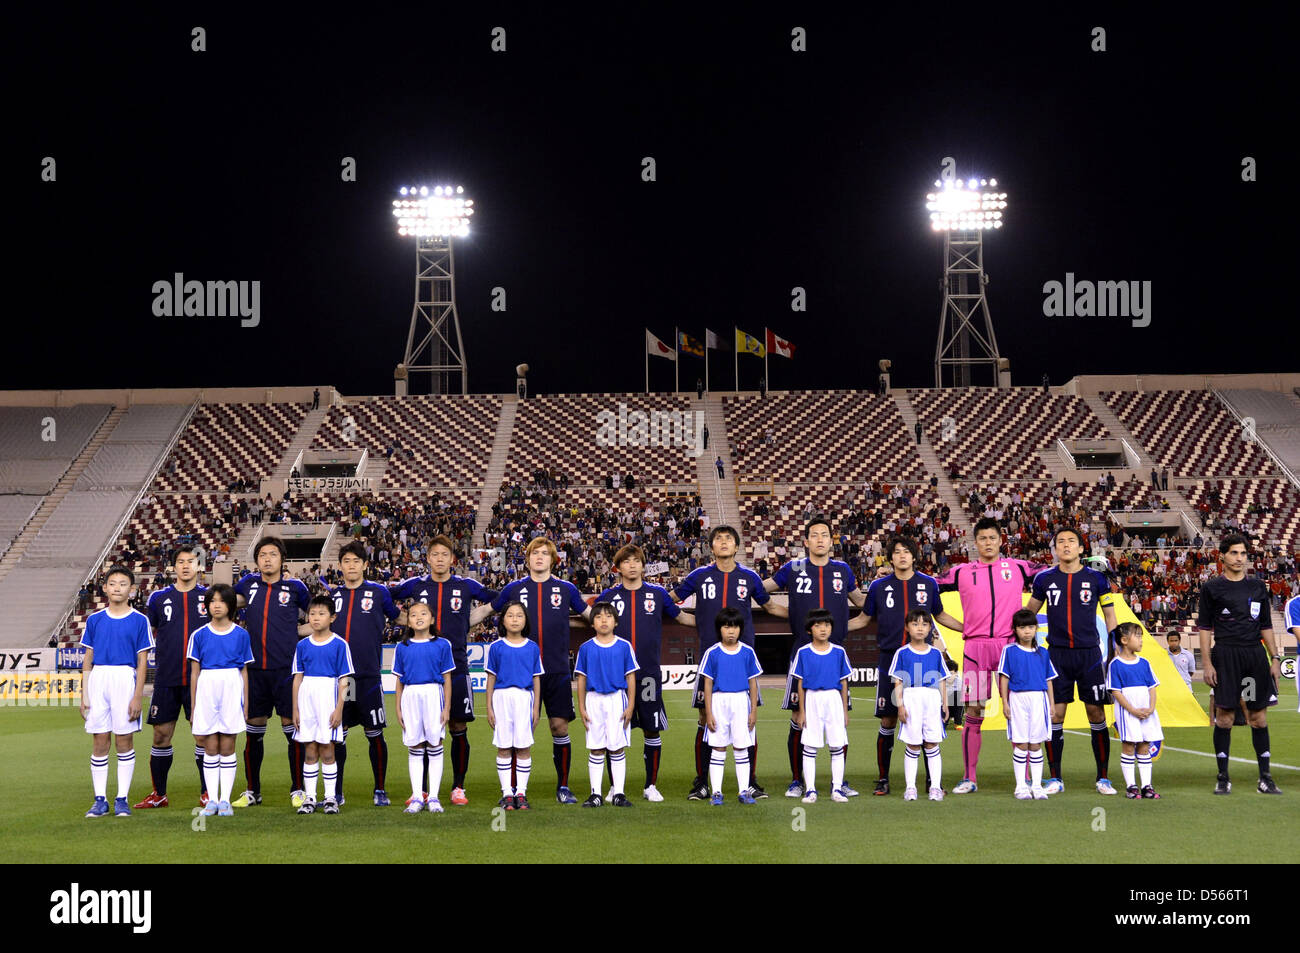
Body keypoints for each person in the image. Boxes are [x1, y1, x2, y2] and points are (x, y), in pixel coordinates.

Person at [674, 525, 786, 800]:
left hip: (742, 661)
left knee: (748, 723)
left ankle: (750, 782)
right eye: (718, 539)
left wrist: (803, 621)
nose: (723, 543)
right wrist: (695, 622)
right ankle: (702, 782)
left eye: (728, 539)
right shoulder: (699, 575)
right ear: (711, 547)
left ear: (737, 547)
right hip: (710, 660)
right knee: (704, 718)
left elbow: (770, 606)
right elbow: (670, 600)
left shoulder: (748, 577)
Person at [766, 516, 872, 798]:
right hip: (802, 652)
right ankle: (797, 780)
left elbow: (862, 602)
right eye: (815, 535)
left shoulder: (842, 569)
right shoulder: (794, 567)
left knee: (838, 720)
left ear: (831, 539)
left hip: (835, 653)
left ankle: (840, 782)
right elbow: (760, 591)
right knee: (798, 718)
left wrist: (868, 617)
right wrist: (784, 613)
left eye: (825, 535)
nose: (820, 539)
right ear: (806, 541)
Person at [391, 534, 498, 804]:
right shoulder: (415, 585)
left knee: (457, 725)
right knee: (426, 731)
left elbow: (498, 598)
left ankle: (458, 787)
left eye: (445, 555)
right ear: (427, 558)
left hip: (457, 666)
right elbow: (385, 597)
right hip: (422, 671)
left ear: (453, 559)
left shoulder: (465, 585)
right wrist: (406, 620)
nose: (440, 559)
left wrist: (473, 618)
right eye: (435, 554)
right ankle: (423, 789)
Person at [937, 518, 1041, 794]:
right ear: (975, 543)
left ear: (1000, 540)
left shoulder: (1019, 567)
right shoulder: (961, 572)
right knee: (974, 711)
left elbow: (1048, 578)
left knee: (1017, 711)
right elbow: (929, 592)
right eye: (982, 538)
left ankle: (1026, 778)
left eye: (992, 538)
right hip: (976, 649)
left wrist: (1025, 615)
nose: (987, 543)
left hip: (1010, 648)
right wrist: (962, 627)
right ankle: (969, 778)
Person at [486, 538, 594, 804]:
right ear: (528, 557)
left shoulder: (566, 588)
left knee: (559, 727)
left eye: (545, 553)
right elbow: (489, 610)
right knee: (514, 734)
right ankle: (512, 792)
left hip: (556, 669)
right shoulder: (514, 588)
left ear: (552, 559)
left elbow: (590, 615)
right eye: (535, 553)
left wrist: (616, 629)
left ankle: (564, 786)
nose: (539, 557)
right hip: (521, 675)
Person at [1024, 526, 1120, 795]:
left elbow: (1110, 617)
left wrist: (1113, 653)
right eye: (1060, 542)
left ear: (1081, 548)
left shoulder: (1097, 579)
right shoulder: (1044, 579)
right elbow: (1029, 613)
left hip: (1090, 655)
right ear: (1054, 549)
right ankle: (1055, 778)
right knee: (1056, 714)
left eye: (1071, 542)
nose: (1066, 546)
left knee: (1096, 712)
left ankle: (1103, 778)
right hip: (1056, 655)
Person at [860, 535, 957, 796]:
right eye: (897, 552)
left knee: (927, 720)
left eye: (907, 552)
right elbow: (863, 618)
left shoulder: (928, 583)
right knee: (889, 719)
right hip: (891, 658)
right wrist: (832, 631)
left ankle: (930, 782)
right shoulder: (879, 587)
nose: (902, 556)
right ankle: (883, 778)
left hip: (924, 658)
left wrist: (968, 628)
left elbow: (940, 615)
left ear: (914, 556)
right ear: (890, 558)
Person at [597, 545, 695, 801]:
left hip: (648, 674)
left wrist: (714, 625)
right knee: (615, 730)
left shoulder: (657, 594)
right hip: (615, 676)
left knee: (652, 730)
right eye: (626, 561)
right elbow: (590, 619)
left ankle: (650, 786)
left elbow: (682, 618)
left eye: (636, 561)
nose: (632, 565)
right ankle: (614, 786)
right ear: (618, 567)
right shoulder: (608, 597)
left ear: (643, 566)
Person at [1197, 533, 1283, 795]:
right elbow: (1204, 629)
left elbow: (1266, 625)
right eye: (1234, 553)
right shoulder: (1211, 588)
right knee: (1224, 717)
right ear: (1222, 555)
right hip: (1225, 654)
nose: (1239, 558)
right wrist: (1208, 664)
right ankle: (1223, 777)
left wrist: (1275, 657)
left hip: (1255, 655)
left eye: (1243, 553)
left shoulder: (1257, 586)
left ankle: (1265, 778)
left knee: (1258, 717)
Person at [232, 536, 313, 808]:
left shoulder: (295, 587)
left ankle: (298, 789)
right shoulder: (248, 584)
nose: (267, 559)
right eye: (263, 555)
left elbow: (318, 616)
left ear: (282, 559)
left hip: (287, 671)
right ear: (256, 560)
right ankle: (252, 790)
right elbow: (228, 603)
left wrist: (296, 633)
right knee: (253, 731)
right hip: (254, 670)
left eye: (273, 554)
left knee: (292, 730)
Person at [136, 545, 210, 809]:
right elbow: (149, 633)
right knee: (160, 735)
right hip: (167, 678)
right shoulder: (158, 598)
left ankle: (207, 792)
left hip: (200, 680)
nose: (186, 566)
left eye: (191, 561)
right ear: (173, 567)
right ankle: (159, 794)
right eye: (181, 561)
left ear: (199, 566)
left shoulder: (209, 597)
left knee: (201, 736)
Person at [328, 540, 400, 806]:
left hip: (368, 676)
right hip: (340, 680)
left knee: (375, 733)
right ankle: (336, 791)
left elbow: (399, 617)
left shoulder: (379, 593)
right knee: (338, 734)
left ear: (365, 565)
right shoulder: (333, 597)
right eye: (346, 561)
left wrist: (427, 623)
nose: (351, 566)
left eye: (356, 561)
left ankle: (380, 789)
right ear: (340, 566)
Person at [80, 565, 153, 817]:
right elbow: (88, 659)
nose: (117, 588)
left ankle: (121, 798)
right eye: (113, 583)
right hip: (99, 677)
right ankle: (99, 800)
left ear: (131, 589)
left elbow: (143, 661)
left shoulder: (139, 620)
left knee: (124, 740)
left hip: (125, 678)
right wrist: (84, 695)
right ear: (105, 588)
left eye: (123, 584)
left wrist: (137, 696)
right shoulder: (94, 619)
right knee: (100, 740)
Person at [189, 584, 253, 818]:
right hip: (207, 687)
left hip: (231, 685)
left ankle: (225, 799)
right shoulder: (199, 635)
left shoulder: (241, 634)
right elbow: (194, 673)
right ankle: (212, 800)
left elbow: (244, 671)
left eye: (221, 601)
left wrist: (245, 703)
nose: (216, 605)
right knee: (210, 746)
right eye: (212, 601)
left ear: (230, 606)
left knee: (227, 744)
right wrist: (194, 706)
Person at [291, 596, 355, 814]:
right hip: (307, 699)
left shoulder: (340, 644)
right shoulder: (302, 645)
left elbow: (345, 680)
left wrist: (339, 708)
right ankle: (309, 798)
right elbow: (298, 678)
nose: (316, 618)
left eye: (321, 614)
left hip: (328, 699)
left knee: (327, 750)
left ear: (332, 617)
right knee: (310, 749)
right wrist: (295, 709)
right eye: (312, 614)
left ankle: (330, 798)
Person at [574, 602, 638, 807]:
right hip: (593, 700)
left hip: (617, 700)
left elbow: (631, 678)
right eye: (599, 616)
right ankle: (596, 794)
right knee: (596, 748)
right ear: (592, 623)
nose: (603, 620)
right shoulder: (586, 648)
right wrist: (582, 707)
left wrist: (630, 706)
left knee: (617, 748)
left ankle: (618, 793)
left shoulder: (624, 646)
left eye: (608, 616)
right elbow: (581, 679)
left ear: (616, 622)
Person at [393, 602, 455, 814]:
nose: (418, 617)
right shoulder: (402, 647)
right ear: (408, 621)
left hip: (432, 695)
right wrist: (399, 708)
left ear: (432, 619)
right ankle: (418, 796)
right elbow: (399, 681)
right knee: (416, 746)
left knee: (435, 745)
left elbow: (447, 679)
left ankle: (434, 797)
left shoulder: (442, 645)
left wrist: (446, 707)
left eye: (423, 613)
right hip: (411, 696)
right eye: (413, 614)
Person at [889, 608, 953, 802]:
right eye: (915, 624)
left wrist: (945, 704)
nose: (920, 628)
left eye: (924, 624)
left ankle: (935, 787)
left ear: (930, 628)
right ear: (907, 627)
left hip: (932, 699)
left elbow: (941, 679)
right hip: (911, 698)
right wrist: (900, 705)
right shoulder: (902, 653)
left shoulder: (935, 653)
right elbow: (898, 680)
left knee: (932, 743)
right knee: (913, 744)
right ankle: (910, 788)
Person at [700, 606, 762, 806]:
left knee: (741, 747)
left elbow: (753, 683)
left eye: (735, 627)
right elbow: (707, 684)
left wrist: (753, 710)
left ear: (740, 629)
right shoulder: (712, 653)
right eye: (727, 627)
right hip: (719, 701)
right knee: (718, 747)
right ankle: (716, 792)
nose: (731, 631)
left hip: (741, 702)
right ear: (720, 629)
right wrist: (708, 712)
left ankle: (744, 791)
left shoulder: (747, 652)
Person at [485, 602, 544, 810]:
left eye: (519, 615)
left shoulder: (532, 647)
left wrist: (536, 709)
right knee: (503, 746)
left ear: (525, 620)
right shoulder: (496, 647)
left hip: (524, 698)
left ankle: (521, 792)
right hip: (501, 698)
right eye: (510, 615)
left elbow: (536, 679)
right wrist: (489, 707)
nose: (515, 619)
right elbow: (491, 679)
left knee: (523, 746)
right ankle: (507, 793)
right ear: (503, 620)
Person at [792, 608, 852, 803]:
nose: (823, 629)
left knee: (837, 745)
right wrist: (802, 712)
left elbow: (843, 682)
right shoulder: (803, 652)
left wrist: (844, 711)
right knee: (810, 746)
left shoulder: (838, 651)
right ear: (810, 629)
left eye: (826, 625)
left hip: (833, 699)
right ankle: (810, 789)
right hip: (812, 699)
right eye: (818, 625)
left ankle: (837, 788)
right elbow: (800, 684)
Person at [997, 608, 1056, 800]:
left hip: (1039, 699)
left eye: (1030, 627)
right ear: (1015, 629)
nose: (1027, 631)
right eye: (1022, 627)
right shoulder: (1009, 650)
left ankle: (1037, 786)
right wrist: (1005, 701)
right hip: (1017, 699)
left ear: (1036, 628)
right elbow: (1004, 677)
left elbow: (1049, 680)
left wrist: (1052, 704)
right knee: (1021, 743)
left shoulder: (1043, 653)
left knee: (1036, 743)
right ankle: (1021, 786)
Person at [1105, 622, 1163, 798]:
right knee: (1129, 746)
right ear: (1124, 640)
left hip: (1146, 711)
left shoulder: (1144, 663)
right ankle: (1131, 786)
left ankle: (1147, 785)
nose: (1141, 640)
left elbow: (1152, 687)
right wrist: (1132, 710)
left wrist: (1151, 707)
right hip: (1127, 712)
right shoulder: (1115, 664)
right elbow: (1116, 691)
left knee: (1145, 746)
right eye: (1137, 636)